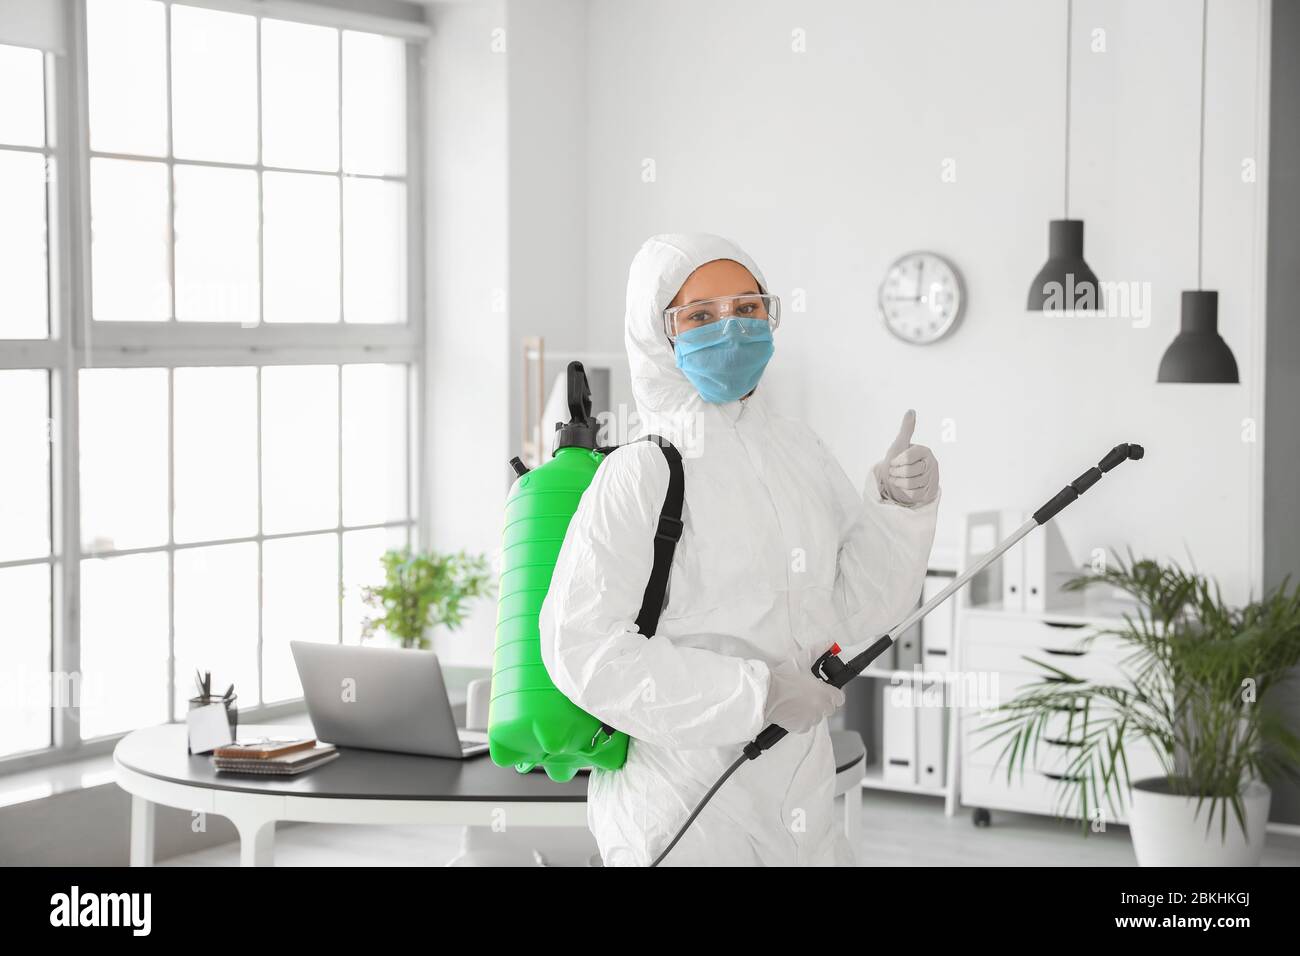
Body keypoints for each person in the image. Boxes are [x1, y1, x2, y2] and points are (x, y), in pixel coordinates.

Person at [539, 233, 940, 866]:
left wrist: (895, 506)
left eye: (748, 309)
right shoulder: (641, 473)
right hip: (682, 809)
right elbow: (586, 652)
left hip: (800, 797)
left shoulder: (798, 451)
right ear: (657, 336)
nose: (731, 330)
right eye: (700, 316)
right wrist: (756, 695)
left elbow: (857, 610)